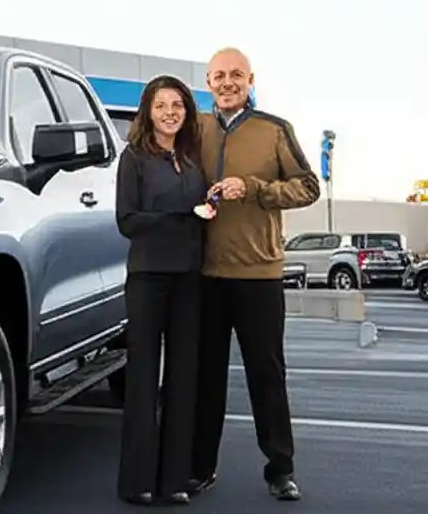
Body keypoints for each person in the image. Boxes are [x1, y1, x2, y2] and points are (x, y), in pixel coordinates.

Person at [188, 47, 320, 502]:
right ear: (208, 82)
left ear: (250, 80)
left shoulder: (274, 130)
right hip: (205, 274)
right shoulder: (194, 130)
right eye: (219, 75)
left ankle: (280, 469)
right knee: (205, 378)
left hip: (259, 274)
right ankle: (199, 468)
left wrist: (256, 188)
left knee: (266, 375)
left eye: (236, 75)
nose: (227, 82)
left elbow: (308, 186)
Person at [114, 75, 208, 507]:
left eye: (177, 105)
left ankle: (174, 480)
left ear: (186, 111)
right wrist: (182, 215)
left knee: (184, 378)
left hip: (189, 279)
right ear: (147, 112)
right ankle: (136, 481)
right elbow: (128, 221)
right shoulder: (134, 157)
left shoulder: (191, 159)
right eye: (160, 105)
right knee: (143, 377)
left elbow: (202, 214)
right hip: (148, 278)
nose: (169, 112)